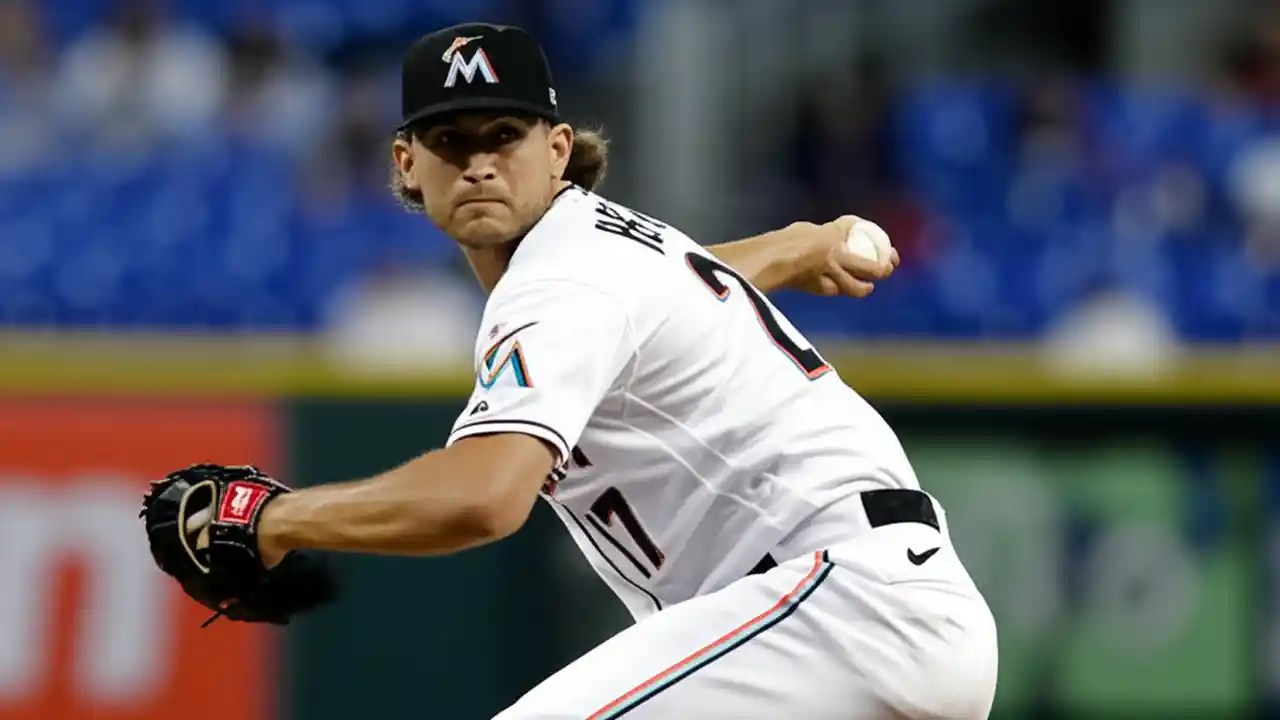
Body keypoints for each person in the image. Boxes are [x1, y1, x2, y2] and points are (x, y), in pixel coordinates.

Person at [252, 23, 998, 718]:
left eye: (504, 135)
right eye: (450, 140)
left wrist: (274, 520)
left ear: (557, 149)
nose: (478, 163)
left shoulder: (559, 279)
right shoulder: (609, 251)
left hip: (838, 607)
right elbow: (662, 293)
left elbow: (485, 496)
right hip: (848, 619)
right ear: (408, 165)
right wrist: (799, 244)